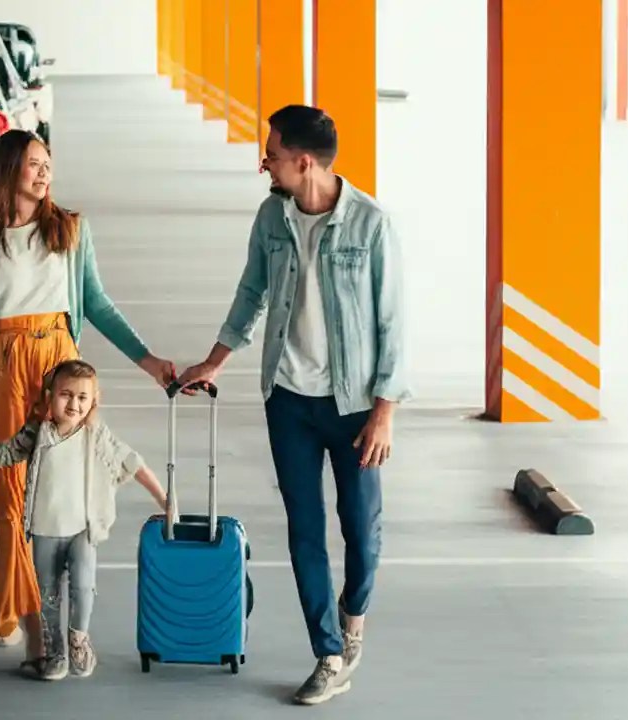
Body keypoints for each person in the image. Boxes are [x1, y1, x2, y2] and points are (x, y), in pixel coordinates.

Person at [177, 105, 409, 706]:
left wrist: (385, 409)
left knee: (361, 531)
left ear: (304, 162)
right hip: (288, 400)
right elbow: (251, 291)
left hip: (355, 404)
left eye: (272, 154)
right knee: (304, 530)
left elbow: (392, 323)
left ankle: (353, 613)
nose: (265, 163)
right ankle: (327, 653)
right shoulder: (271, 216)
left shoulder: (371, 224)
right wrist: (216, 359)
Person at [0, 129, 177, 659]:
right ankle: (34, 629)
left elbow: (96, 304)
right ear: (9, 170)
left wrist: (148, 361)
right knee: (11, 500)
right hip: (3, 364)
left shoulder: (71, 229)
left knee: (57, 500)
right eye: (33, 163)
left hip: (61, 365)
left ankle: (50, 625)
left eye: (48, 162)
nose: (45, 171)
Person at [0, 358, 168, 681]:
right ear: (51, 395)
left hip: (82, 528)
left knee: (82, 585)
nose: (74, 404)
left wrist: (164, 499)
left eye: (83, 398)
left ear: (93, 401)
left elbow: (132, 462)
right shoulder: (37, 431)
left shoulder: (96, 435)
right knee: (48, 594)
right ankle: (55, 652)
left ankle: (78, 637)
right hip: (45, 528)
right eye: (67, 395)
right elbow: (3, 453)